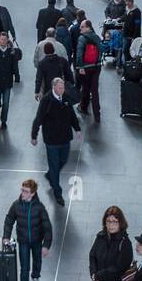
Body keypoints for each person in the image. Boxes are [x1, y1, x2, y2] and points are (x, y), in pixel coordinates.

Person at [30, 75, 81, 206]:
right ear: (54, 87)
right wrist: (34, 135)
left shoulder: (66, 98)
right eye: (60, 87)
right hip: (51, 140)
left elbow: (71, 114)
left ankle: (50, 175)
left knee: (63, 160)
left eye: (63, 87)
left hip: (65, 137)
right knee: (54, 165)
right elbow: (38, 118)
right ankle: (57, 193)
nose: (62, 90)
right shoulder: (46, 100)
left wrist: (77, 129)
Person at [2, 179, 53, 281]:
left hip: (37, 241)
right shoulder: (16, 205)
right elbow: (9, 220)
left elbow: (47, 227)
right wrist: (6, 237)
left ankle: (35, 277)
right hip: (23, 242)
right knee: (24, 269)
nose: (23, 193)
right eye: (22, 190)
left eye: (26, 191)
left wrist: (46, 245)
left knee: (37, 262)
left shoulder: (39, 208)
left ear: (33, 193)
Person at [89, 206, 134, 281]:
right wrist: (93, 274)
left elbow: (119, 267)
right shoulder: (101, 236)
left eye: (115, 221)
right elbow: (92, 256)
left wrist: (99, 275)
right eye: (108, 221)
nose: (111, 225)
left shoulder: (125, 243)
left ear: (121, 223)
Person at [0, 31, 20, 129]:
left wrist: (17, 76)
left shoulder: (12, 52)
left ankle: (4, 120)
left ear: (7, 40)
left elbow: (15, 65)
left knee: (6, 102)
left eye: (5, 40)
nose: (3, 41)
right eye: (1, 39)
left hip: (7, 82)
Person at [75, 18, 104, 122]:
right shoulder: (96, 37)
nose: (80, 28)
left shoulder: (82, 38)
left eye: (82, 27)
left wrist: (81, 67)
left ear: (88, 27)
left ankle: (84, 107)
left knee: (86, 88)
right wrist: (98, 62)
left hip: (85, 67)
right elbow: (102, 49)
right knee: (95, 91)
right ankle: (97, 114)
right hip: (96, 67)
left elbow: (79, 54)